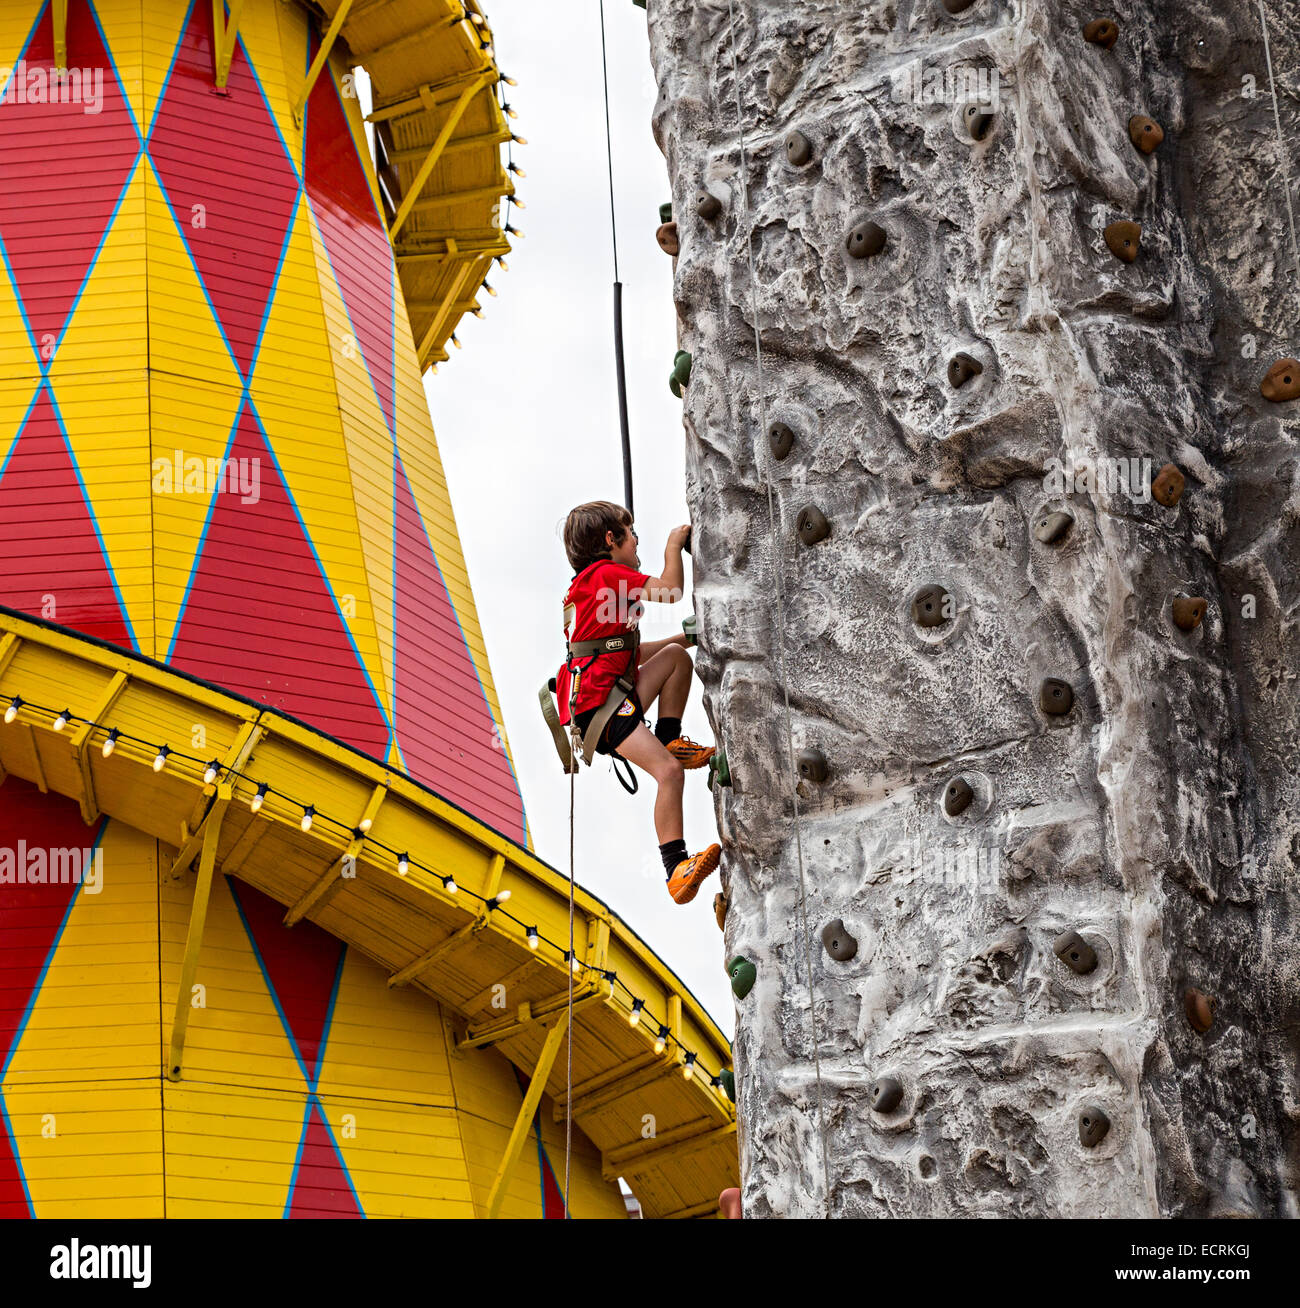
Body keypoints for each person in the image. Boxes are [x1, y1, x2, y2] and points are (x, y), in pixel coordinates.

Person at [555, 501, 721, 904]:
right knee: (669, 774)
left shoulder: (592, 588)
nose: (636, 543)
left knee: (676, 661)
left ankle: (669, 739)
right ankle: (675, 869)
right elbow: (670, 589)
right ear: (611, 540)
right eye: (632, 535)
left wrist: (686, 639)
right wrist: (672, 545)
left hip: (605, 696)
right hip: (602, 708)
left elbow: (629, 651)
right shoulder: (607, 575)